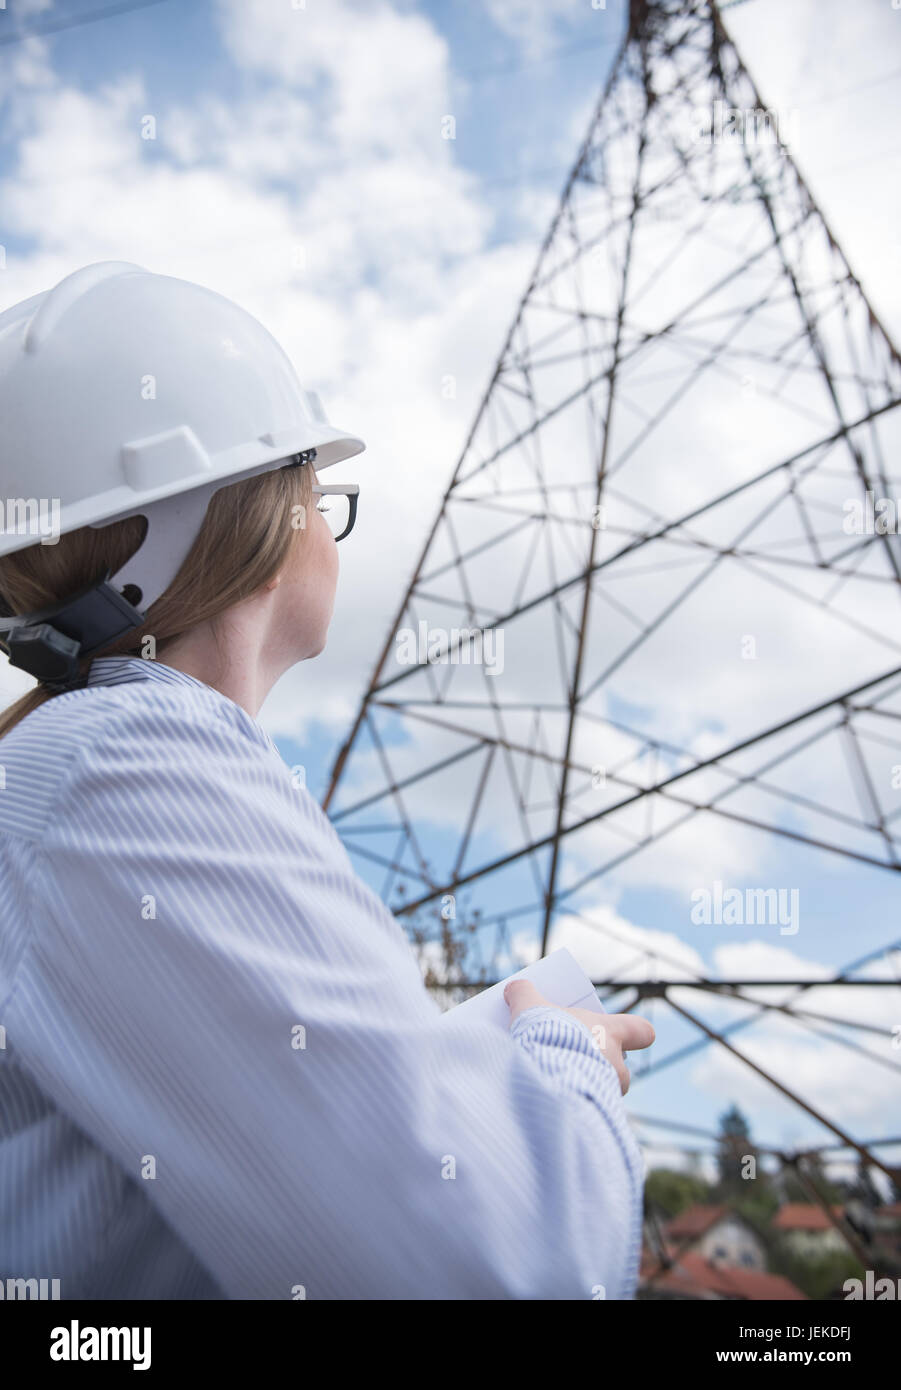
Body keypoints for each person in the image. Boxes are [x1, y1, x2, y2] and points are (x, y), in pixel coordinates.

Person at [0, 262, 655, 1300]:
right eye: (318, 496)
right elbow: (497, 1271)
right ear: (254, 529)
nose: (325, 526)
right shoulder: (132, 767)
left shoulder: (79, 762)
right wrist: (560, 1061)